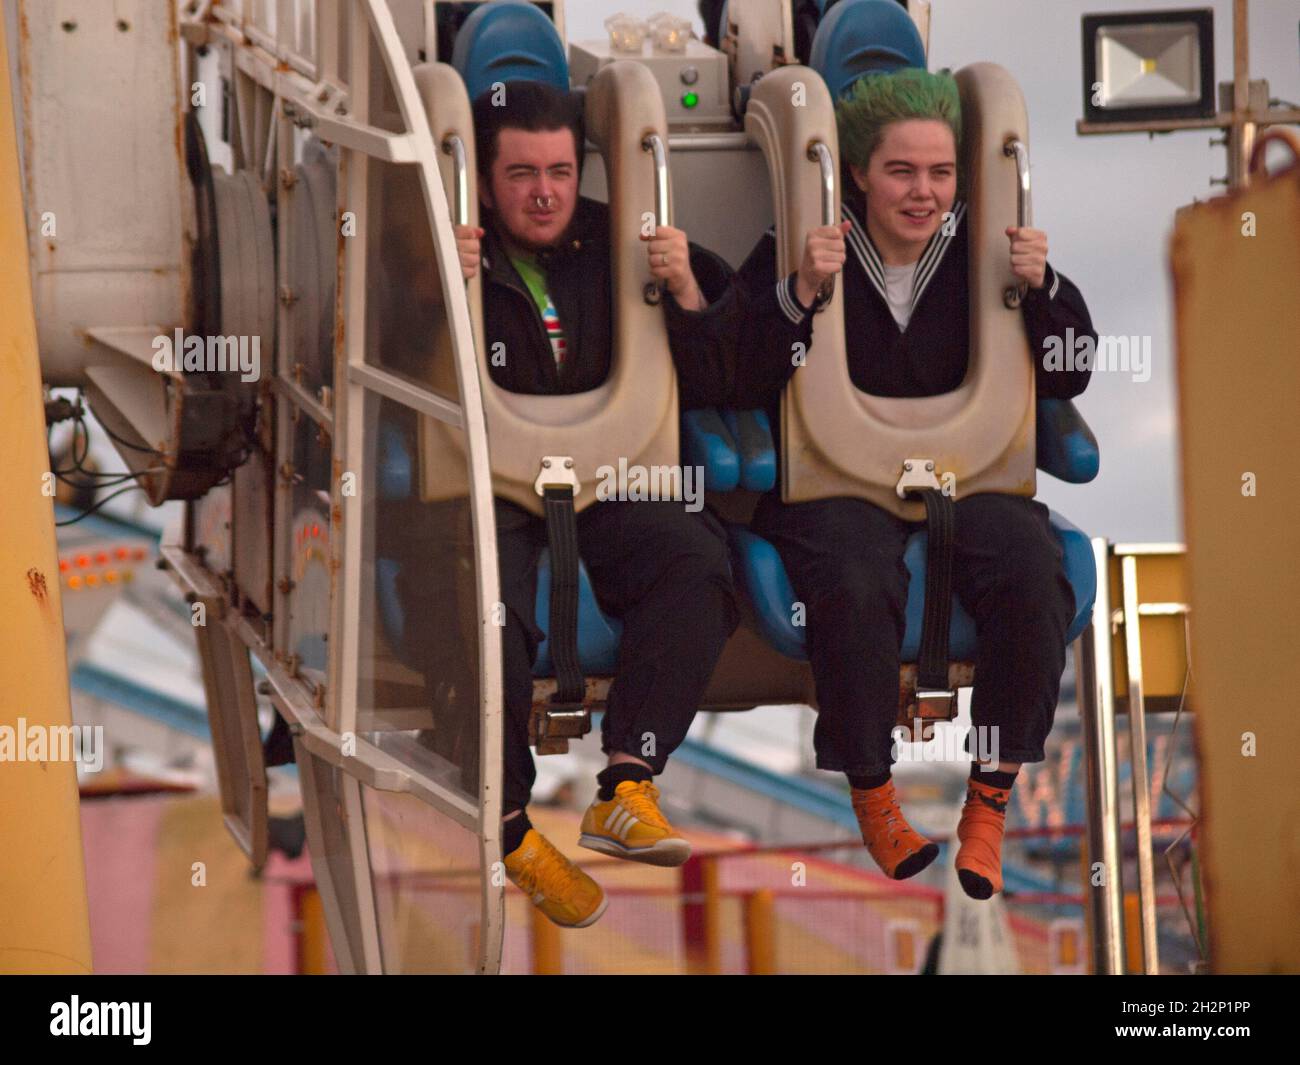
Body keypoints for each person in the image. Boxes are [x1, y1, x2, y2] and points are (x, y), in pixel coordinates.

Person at [732, 67, 1097, 899]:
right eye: (901, 172)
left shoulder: (984, 253)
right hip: (839, 485)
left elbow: (1069, 373)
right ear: (858, 173)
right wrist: (796, 295)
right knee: (855, 581)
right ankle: (873, 788)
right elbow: (731, 369)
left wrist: (1050, 293)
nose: (923, 192)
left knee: (1031, 572)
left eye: (940, 173)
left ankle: (991, 798)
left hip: (966, 480)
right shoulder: (801, 243)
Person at [450, 80, 740, 927]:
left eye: (560, 171)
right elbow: (372, 362)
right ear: (484, 177)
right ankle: (509, 828)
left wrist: (688, 291)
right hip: (491, 486)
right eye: (520, 174)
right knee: (485, 616)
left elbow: (731, 365)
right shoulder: (442, 246)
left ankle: (626, 782)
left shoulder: (621, 239)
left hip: (607, 478)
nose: (544, 191)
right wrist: (430, 289)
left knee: (697, 563)